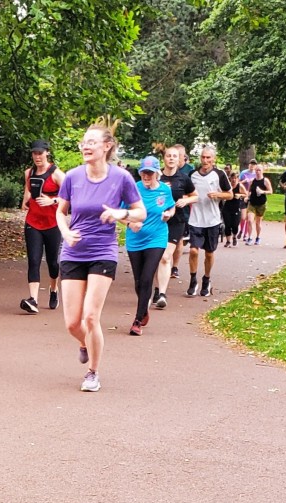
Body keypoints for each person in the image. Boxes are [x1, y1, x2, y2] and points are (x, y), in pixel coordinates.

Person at [56, 120, 145, 391]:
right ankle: (85, 343)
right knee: (73, 323)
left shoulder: (121, 178)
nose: (86, 146)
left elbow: (140, 213)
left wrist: (121, 213)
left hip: (102, 252)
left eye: (92, 142)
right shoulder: (72, 177)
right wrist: (65, 233)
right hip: (73, 252)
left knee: (90, 317)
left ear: (107, 146)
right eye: (84, 142)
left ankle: (92, 372)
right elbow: (60, 212)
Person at [126, 155, 175, 335]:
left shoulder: (164, 190)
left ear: (157, 173)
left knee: (147, 277)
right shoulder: (133, 189)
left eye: (150, 173)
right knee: (139, 282)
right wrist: (130, 223)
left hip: (157, 238)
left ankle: (137, 321)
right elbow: (122, 212)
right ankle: (144, 309)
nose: (146, 176)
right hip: (135, 240)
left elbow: (171, 206)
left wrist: (169, 214)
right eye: (143, 173)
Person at [174, 145, 232, 297]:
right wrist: (184, 199)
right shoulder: (192, 175)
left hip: (213, 220)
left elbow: (230, 194)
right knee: (193, 250)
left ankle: (206, 279)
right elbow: (187, 193)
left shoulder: (219, 174)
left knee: (209, 253)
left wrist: (218, 195)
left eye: (208, 158)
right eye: (203, 157)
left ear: (214, 159)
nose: (205, 160)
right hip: (195, 219)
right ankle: (193, 280)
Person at [19, 139, 64, 313]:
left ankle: (54, 289)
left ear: (47, 153)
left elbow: (71, 196)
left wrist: (52, 200)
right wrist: (25, 202)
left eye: (40, 153)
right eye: (34, 153)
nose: (37, 157)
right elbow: (28, 193)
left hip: (53, 223)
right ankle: (33, 300)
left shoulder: (57, 174)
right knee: (34, 260)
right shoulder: (29, 173)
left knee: (52, 262)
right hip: (33, 222)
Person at [152, 144, 193, 309]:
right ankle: (157, 288)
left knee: (165, 256)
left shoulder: (183, 178)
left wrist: (186, 200)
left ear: (179, 159)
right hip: (157, 221)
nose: (171, 159)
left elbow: (195, 196)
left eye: (175, 156)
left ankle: (162, 293)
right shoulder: (156, 177)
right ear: (164, 158)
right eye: (168, 156)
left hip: (177, 221)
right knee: (156, 256)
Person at [245, 164, 273, 245]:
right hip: (252, 203)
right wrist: (247, 197)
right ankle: (249, 238)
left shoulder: (265, 181)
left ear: (262, 171)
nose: (257, 172)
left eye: (259, 170)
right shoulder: (252, 181)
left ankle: (258, 237)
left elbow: (270, 191)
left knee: (258, 222)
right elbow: (249, 191)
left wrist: (262, 191)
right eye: (256, 170)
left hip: (261, 204)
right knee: (250, 220)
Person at [220, 172, 245, 247]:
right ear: (230, 179)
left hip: (236, 207)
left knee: (235, 225)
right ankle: (228, 241)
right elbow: (222, 193)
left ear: (238, 179)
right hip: (227, 207)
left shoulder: (240, 186)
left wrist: (240, 195)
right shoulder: (228, 186)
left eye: (235, 178)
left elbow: (246, 194)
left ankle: (234, 236)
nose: (234, 180)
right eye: (232, 178)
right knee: (227, 225)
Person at [237, 158, 258, 243]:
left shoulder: (256, 174)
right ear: (249, 165)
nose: (252, 166)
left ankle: (245, 234)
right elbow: (238, 183)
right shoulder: (244, 173)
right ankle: (241, 230)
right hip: (243, 196)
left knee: (249, 218)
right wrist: (244, 181)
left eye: (254, 164)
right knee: (243, 217)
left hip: (252, 197)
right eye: (251, 164)